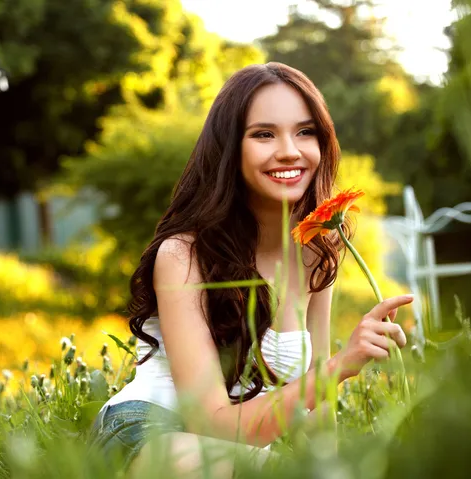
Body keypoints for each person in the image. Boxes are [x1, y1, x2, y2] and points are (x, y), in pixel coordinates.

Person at [89, 62, 413, 478]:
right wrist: (342, 365)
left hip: (238, 457)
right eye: (263, 134)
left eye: (305, 131)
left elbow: (317, 413)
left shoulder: (317, 251)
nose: (289, 151)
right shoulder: (184, 256)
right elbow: (211, 422)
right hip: (153, 436)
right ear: (230, 148)